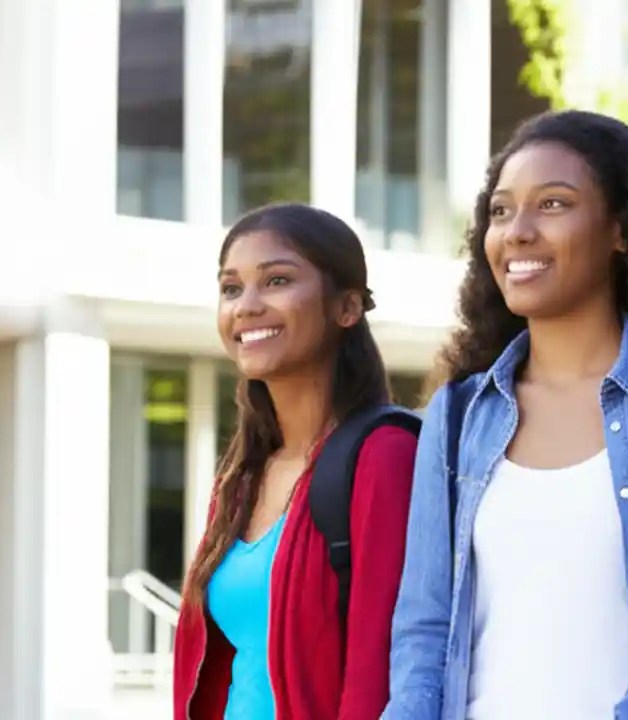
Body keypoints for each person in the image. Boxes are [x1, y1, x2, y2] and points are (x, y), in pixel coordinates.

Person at [384, 109, 628, 720]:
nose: (518, 231)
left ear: (622, 230)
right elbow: (424, 635)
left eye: (553, 205)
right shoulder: (456, 420)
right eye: (501, 211)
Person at [173, 203, 419, 720]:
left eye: (277, 280)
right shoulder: (240, 480)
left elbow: (379, 668)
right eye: (231, 288)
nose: (246, 306)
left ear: (347, 308)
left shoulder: (385, 454)